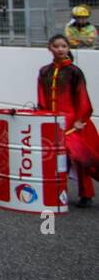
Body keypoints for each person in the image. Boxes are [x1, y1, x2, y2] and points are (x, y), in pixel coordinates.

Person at [38, 34, 99, 208]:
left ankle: (86, 194)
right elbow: (42, 97)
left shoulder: (74, 72)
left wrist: (81, 119)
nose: (60, 49)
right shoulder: (44, 71)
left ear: (68, 48)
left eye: (64, 46)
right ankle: (56, 190)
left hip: (73, 122)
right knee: (55, 158)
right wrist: (42, 114)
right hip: (52, 120)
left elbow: (82, 97)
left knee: (80, 158)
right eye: (56, 46)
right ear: (49, 47)